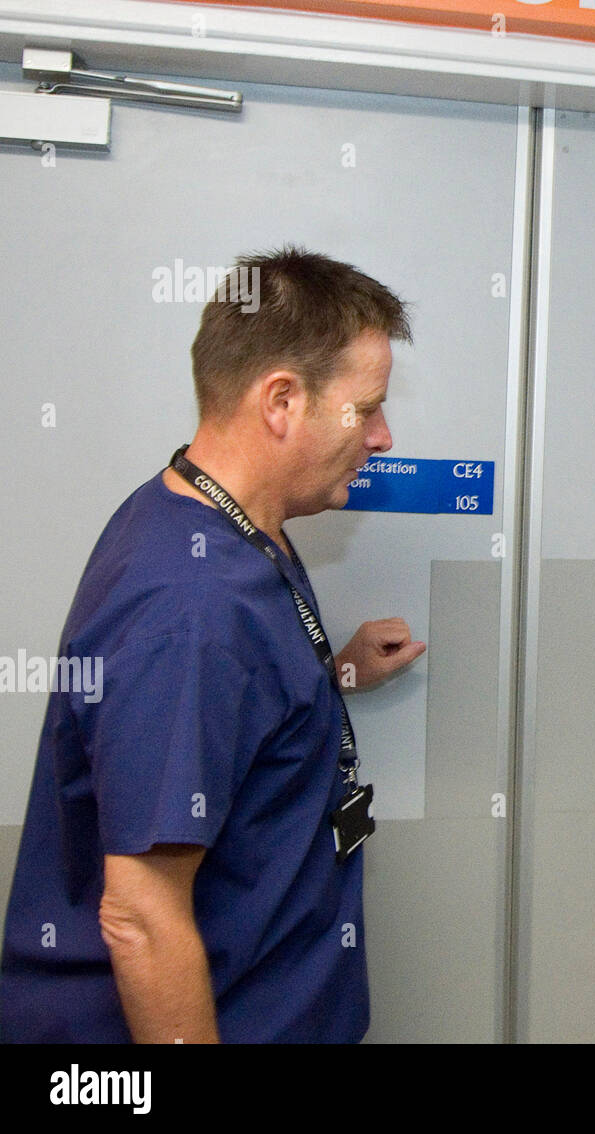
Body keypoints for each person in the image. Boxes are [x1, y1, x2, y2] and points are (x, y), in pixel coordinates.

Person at [0, 248, 426, 1043]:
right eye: (365, 409)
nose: (382, 437)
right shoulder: (190, 609)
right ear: (282, 402)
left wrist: (336, 672)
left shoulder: (224, 525)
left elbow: (229, 713)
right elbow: (141, 918)